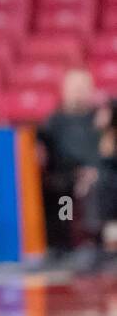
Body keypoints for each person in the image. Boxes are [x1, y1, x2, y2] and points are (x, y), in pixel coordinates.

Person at [37, 68, 105, 263]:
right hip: (65, 179)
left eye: (84, 87)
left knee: (98, 185)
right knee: (63, 198)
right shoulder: (53, 122)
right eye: (75, 87)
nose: (79, 92)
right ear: (64, 90)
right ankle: (63, 246)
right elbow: (51, 154)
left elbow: (104, 151)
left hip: (98, 175)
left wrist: (92, 170)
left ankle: (94, 244)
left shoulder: (100, 119)